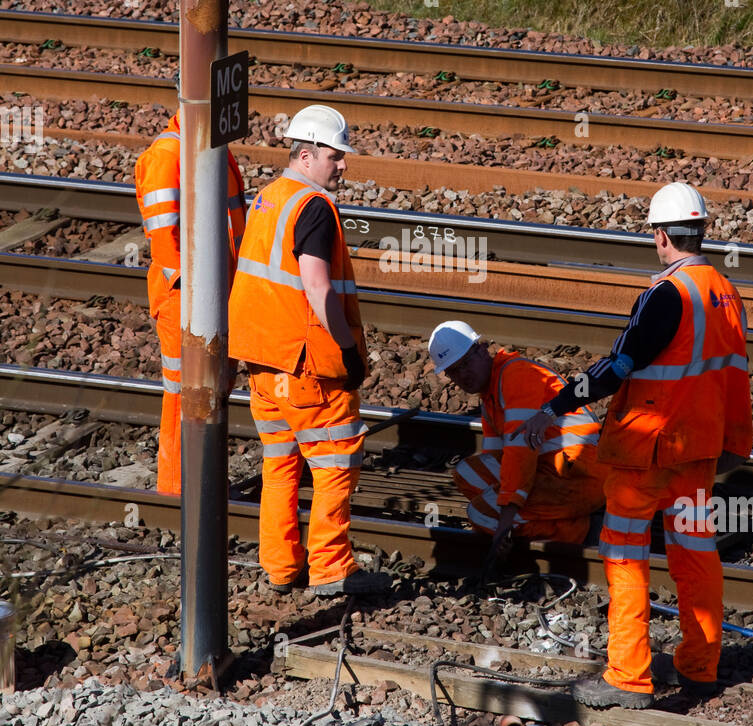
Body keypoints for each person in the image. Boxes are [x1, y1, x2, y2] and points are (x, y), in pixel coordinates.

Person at [518, 182, 753, 708]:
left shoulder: (667, 295)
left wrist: (555, 406)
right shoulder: (724, 291)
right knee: (695, 556)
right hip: (697, 453)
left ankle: (628, 676)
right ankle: (700, 667)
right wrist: (736, 442)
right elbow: (735, 374)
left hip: (646, 451)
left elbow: (617, 368)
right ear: (702, 231)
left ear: (662, 236)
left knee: (624, 557)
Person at [228, 104, 390, 598]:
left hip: (261, 361)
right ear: (307, 153)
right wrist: (348, 348)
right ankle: (331, 569)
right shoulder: (314, 206)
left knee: (280, 462)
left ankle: (280, 566)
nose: (343, 166)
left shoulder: (268, 198)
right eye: (336, 156)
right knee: (335, 461)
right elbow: (317, 287)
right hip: (307, 365)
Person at [428, 321, 606, 565]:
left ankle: (574, 530)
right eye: (454, 371)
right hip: (552, 470)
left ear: (482, 349)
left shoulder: (516, 375)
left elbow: (520, 452)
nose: (463, 375)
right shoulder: (490, 397)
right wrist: (503, 508)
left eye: (466, 363)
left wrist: (504, 520)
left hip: (581, 476)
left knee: (479, 513)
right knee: (466, 474)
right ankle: (552, 520)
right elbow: (497, 460)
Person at [135, 110, 246, 494]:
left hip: (220, 288)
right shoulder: (170, 154)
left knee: (213, 386)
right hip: (187, 295)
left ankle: (203, 478)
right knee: (186, 389)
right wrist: (195, 293)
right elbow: (165, 237)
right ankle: (178, 490)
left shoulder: (212, 145)